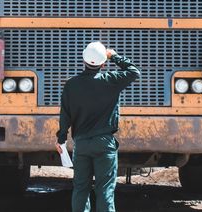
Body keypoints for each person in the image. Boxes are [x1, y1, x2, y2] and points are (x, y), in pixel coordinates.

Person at [55, 41, 141, 212]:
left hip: (82, 144)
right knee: (105, 191)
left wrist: (61, 139)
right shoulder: (110, 81)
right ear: (103, 63)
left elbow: (65, 115)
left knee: (81, 189)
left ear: (83, 60)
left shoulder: (71, 85)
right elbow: (134, 72)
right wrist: (115, 56)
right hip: (104, 143)